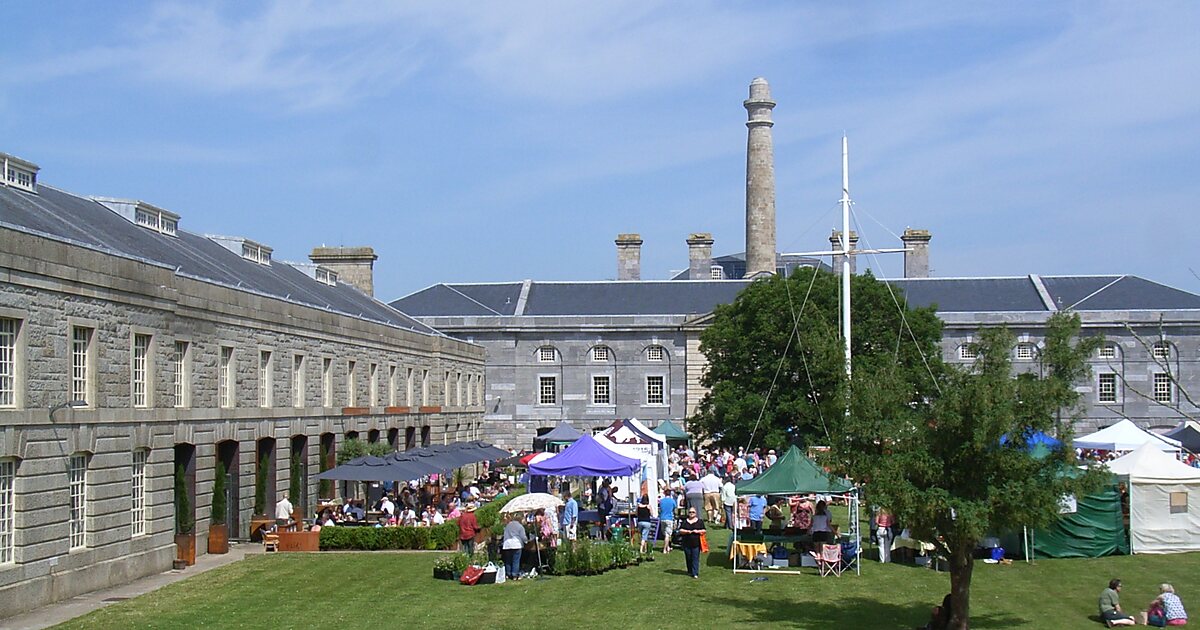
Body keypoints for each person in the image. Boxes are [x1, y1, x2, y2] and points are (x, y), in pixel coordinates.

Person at [677, 506, 706, 579]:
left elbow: (704, 530)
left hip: (696, 543)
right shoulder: (685, 522)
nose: (691, 513)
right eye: (690, 512)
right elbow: (680, 530)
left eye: (693, 512)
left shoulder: (699, 521)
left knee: (695, 558)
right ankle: (690, 570)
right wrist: (687, 531)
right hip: (686, 543)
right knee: (688, 557)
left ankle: (695, 573)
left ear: (696, 513)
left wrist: (697, 531)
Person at [501, 514, 528, 580]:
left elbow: (505, 534)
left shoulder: (508, 525)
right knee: (516, 560)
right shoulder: (520, 526)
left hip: (507, 544)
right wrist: (526, 541)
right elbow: (523, 536)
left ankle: (508, 574)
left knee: (508, 560)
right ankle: (515, 575)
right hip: (516, 544)